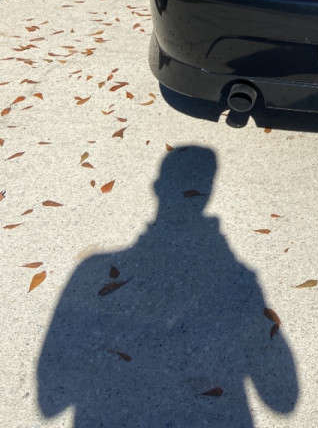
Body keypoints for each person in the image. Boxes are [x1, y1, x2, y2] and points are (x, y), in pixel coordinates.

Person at [37, 146, 298, 427]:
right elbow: (282, 400)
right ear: (208, 194)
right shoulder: (241, 282)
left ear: (158, 188)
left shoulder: (91, 270)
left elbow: (50, 402)